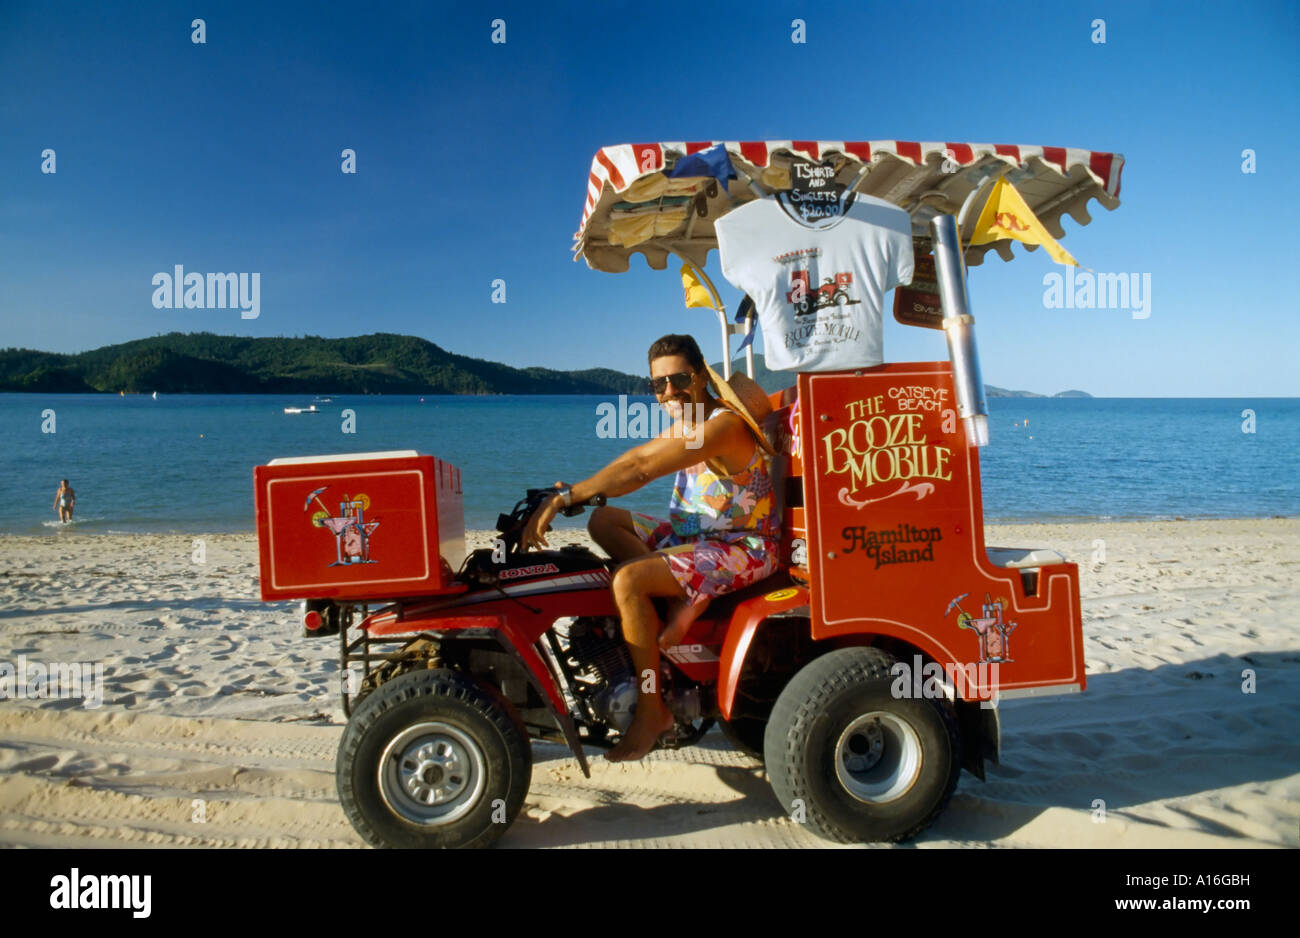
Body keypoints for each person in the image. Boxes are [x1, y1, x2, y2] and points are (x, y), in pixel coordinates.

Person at [521, 334, 780, 762]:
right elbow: (639, 456)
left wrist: (565, 499)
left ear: (699, 376)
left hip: (741, 545)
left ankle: (650, 709)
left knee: (628, 582)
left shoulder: (722, 426)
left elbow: (642, 469)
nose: (668, 392)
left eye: (678, 379)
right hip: (694, 537)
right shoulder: (688, 424)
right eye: (657, 385)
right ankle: (682, 594)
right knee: (604, 520)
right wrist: (580, 493)